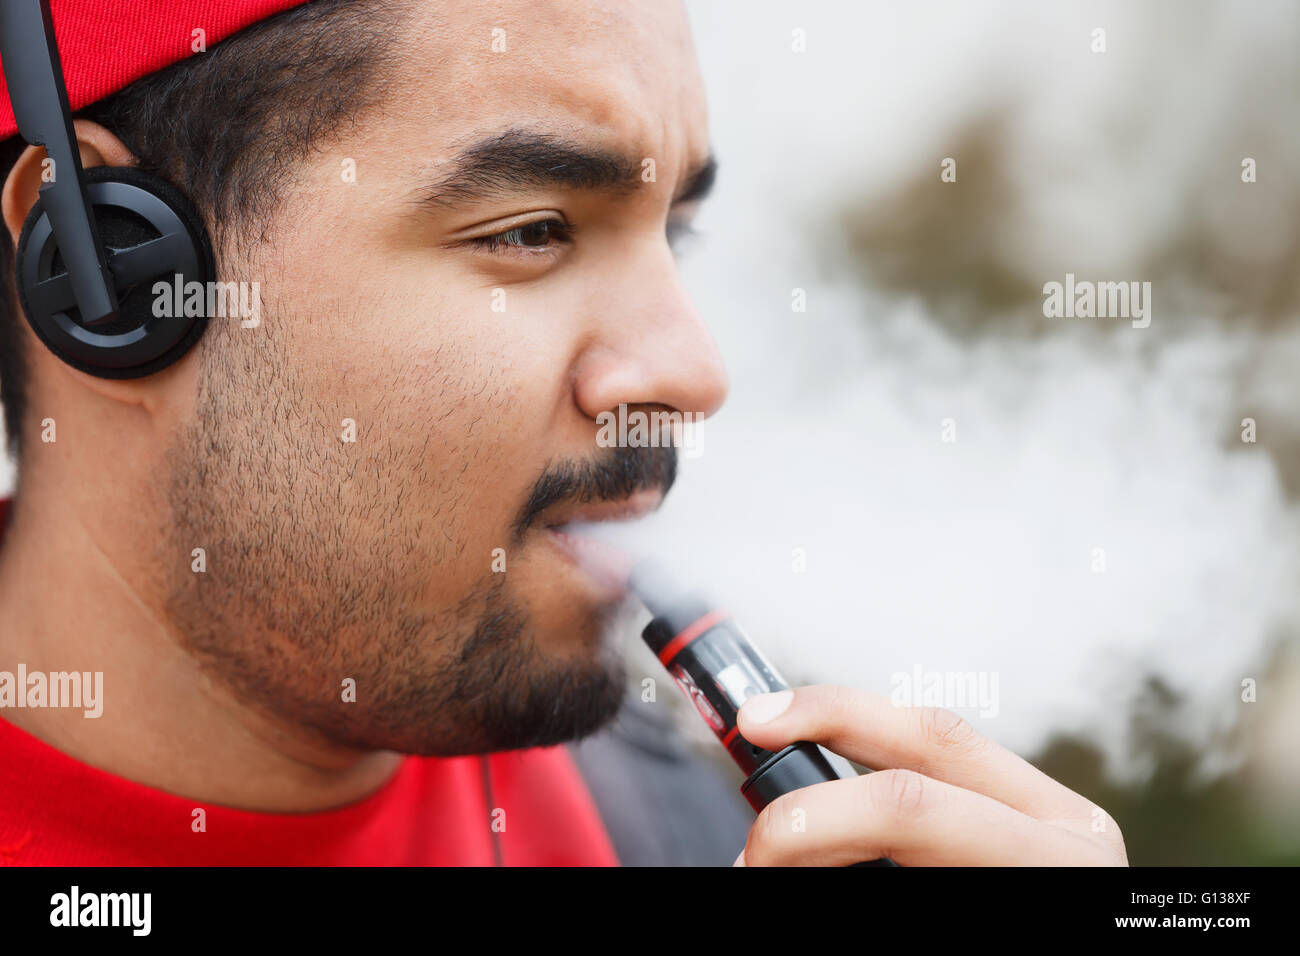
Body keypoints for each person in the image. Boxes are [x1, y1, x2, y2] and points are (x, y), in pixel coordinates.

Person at [0, 0, 1127, 866]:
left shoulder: (693, 831)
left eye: (674, 233)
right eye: (533, 230)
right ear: (100, 271)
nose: (694, 373)